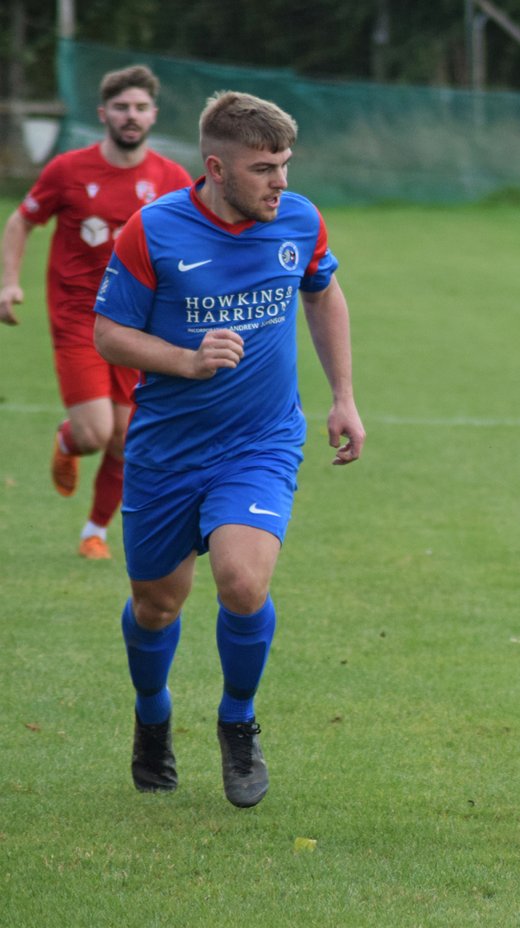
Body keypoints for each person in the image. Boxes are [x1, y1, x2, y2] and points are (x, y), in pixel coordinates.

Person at [93, 91, 365, 808]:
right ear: (215, 168)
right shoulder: (152, 232)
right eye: (263, 168)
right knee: (158, 604)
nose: (281, 182)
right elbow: (109, 335)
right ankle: (152, 717)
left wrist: (343, 395)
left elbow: (323, 293)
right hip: (167, 450)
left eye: (285, 164)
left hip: (261, 441)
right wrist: (185, 359)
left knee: (244, 582)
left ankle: (238, 722)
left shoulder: (300, 220)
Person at [1, 65, 192, 559]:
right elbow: (21, 222)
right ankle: (68, 442)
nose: (132, 117)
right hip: (78, 317)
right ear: (104, 113)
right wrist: (8, 283)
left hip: (136, 322)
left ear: (154, 115)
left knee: (129, 437)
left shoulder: (171, 179)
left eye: (141, 108)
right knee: (94, 433)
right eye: (123, 107)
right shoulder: (68, 170)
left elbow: (186, 245)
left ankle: (95, 532)